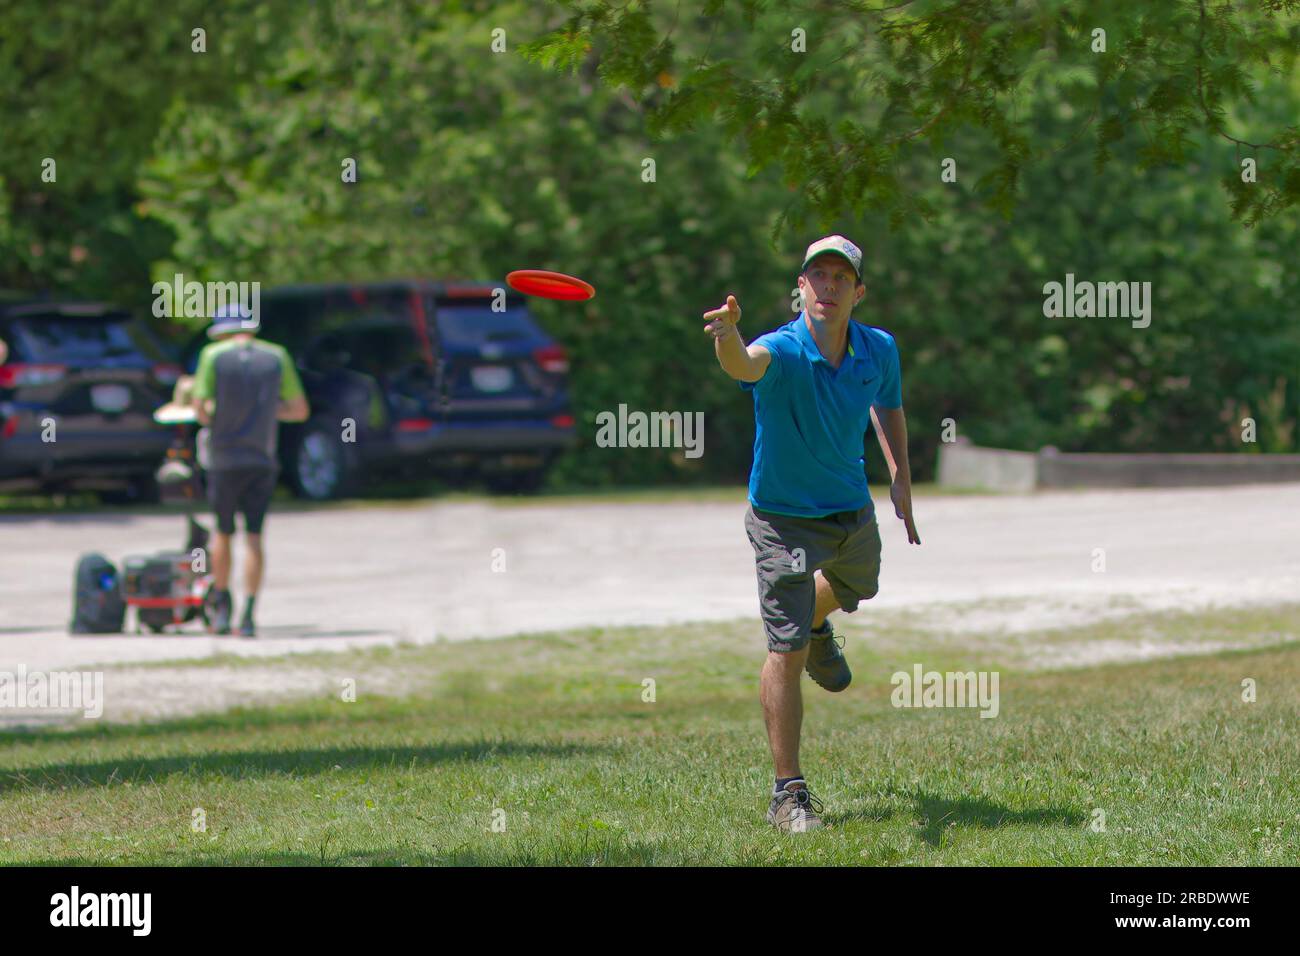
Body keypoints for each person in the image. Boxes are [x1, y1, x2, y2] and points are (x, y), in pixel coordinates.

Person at [702, 235, 921, 832]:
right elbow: (745, 366)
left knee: (861, 584)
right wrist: (728, 338)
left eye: (839, 279)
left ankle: (817, 619)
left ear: (858, 291)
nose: (828, 287)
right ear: (800, 288)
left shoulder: (878, 349)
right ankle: (787, 793)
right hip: (782, 517)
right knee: (786, 646)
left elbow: (889, 405)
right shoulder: (782, 348)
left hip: (849, 509)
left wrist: (900, 476)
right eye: (816, 277)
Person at [190, 302, 309, 636]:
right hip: (262, 457)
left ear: (222, 331)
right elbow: (298, 410)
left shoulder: (213, 356)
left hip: (224, 458)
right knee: (254, 536)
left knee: (223, 532)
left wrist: (222, 413)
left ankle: (223, 607)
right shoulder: (276, 357)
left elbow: (201, 410)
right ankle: (250, 616)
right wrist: (266, 412)